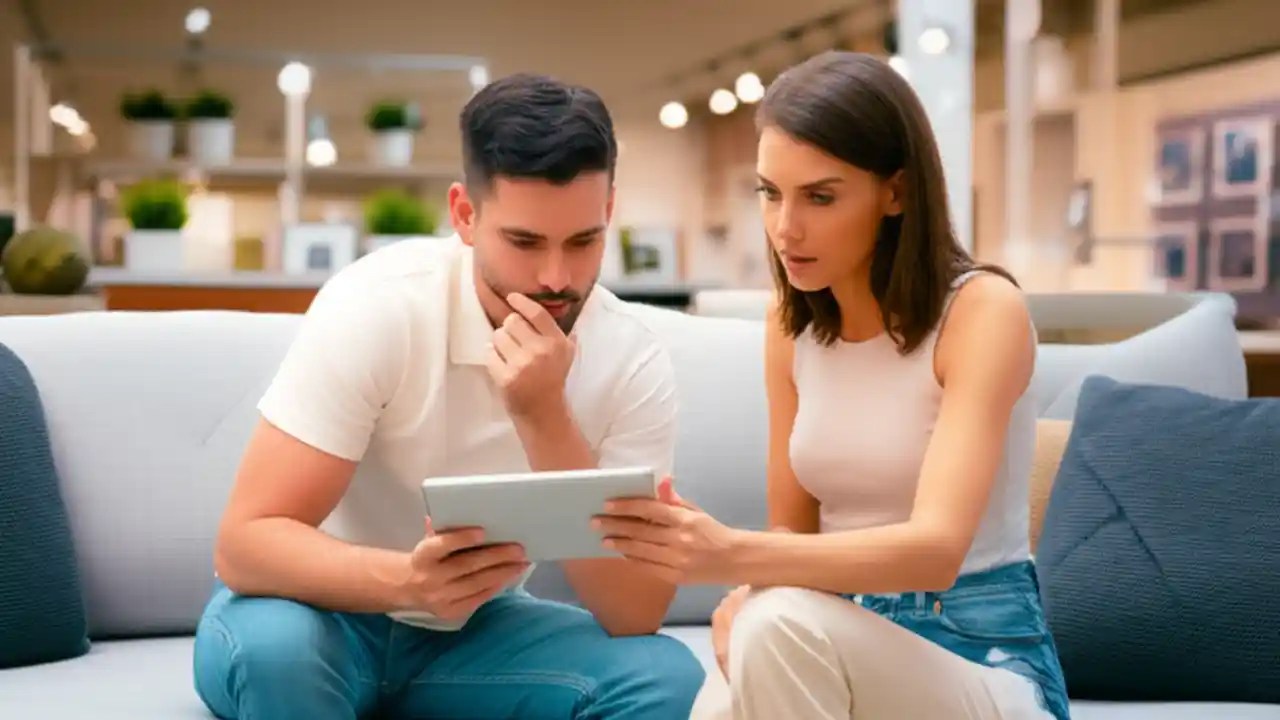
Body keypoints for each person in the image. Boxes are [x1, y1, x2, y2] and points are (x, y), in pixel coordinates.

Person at [193, 72, 704, 720]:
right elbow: (245, 543)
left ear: (608, 212)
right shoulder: (380, 305)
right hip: (312, 617)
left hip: (476, 636)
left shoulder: (631, 357)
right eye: (524, 242)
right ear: (465, 215)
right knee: (277, 656)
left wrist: (545, 415)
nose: (556, 278)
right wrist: (408, 582)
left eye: (583, 242)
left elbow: (633, 611)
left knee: (666, 679)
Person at [594, 51, 1071, 720]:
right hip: (830, 642)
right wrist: (751, 590)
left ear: (896, 192)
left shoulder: (982, 312)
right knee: (734, 676)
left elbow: (935, 552)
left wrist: (732, 558)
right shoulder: (791, 325)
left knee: (776, 624)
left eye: (820, 196)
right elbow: (793, 537)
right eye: (770, 192)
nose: (785, 227)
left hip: (982, 663)